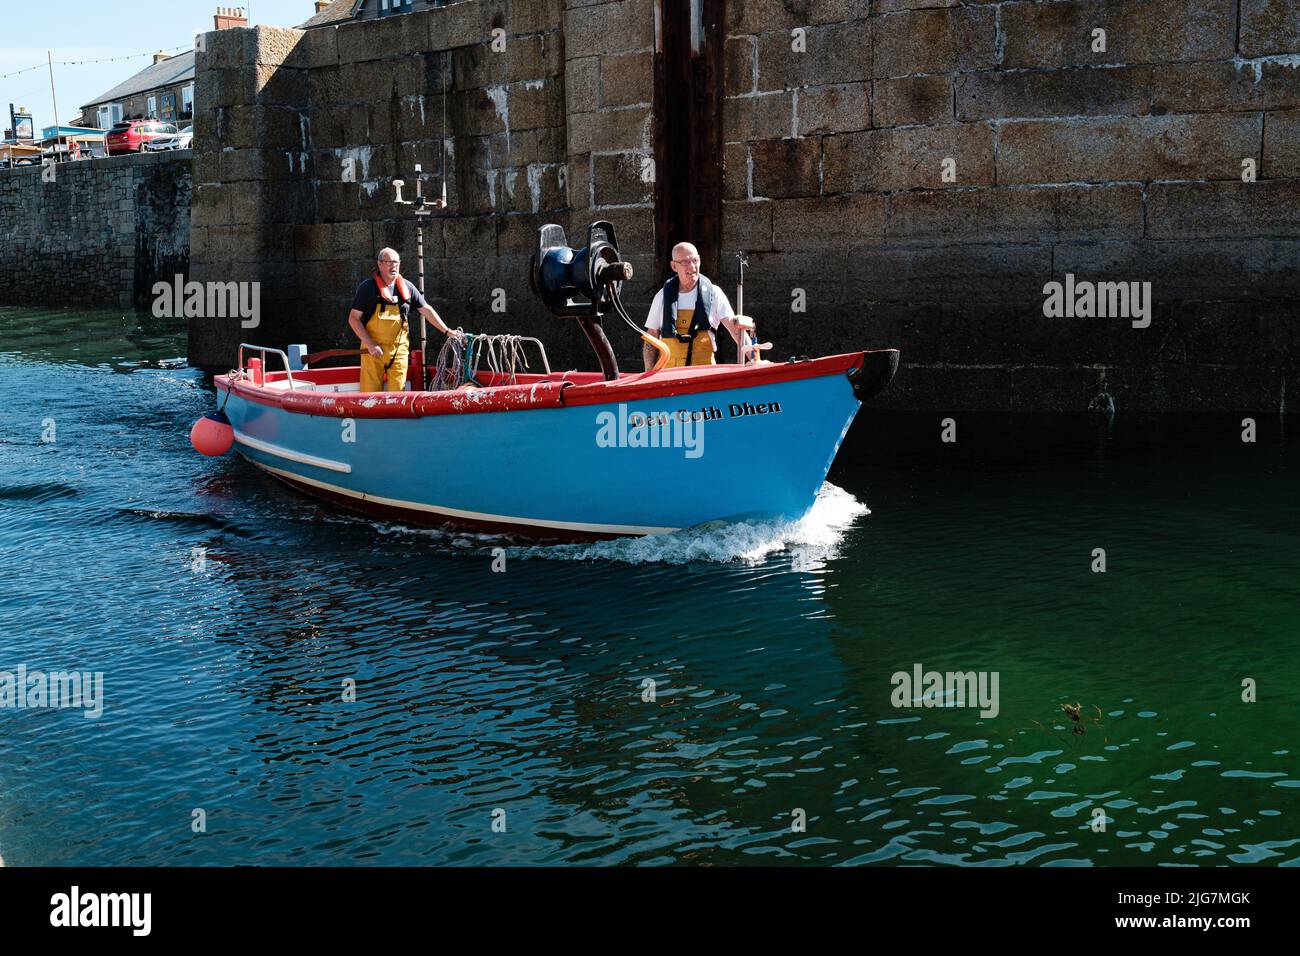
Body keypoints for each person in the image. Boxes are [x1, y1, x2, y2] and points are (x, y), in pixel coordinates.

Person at [347, 248, 460, 392]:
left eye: (396, 262)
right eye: (389, 262)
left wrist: (447, 331)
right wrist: (370, 344)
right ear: (380, 264)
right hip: (373, 351)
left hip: (398, 351)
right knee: (370, 395)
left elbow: (426, 310)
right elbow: (353, 319)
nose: (393, 266)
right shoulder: (367, 288)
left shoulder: (408, 287)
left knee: (398, 394)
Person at [643, 242, 747, 370]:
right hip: (668, 374)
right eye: (685, 262)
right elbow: (651, 338)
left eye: (695, 260)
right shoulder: (662, 296)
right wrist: (648, 375)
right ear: (674, 266)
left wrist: (754, 357)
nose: (692, 266)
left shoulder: (714, 293)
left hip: (703, 375)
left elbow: (736, 331)